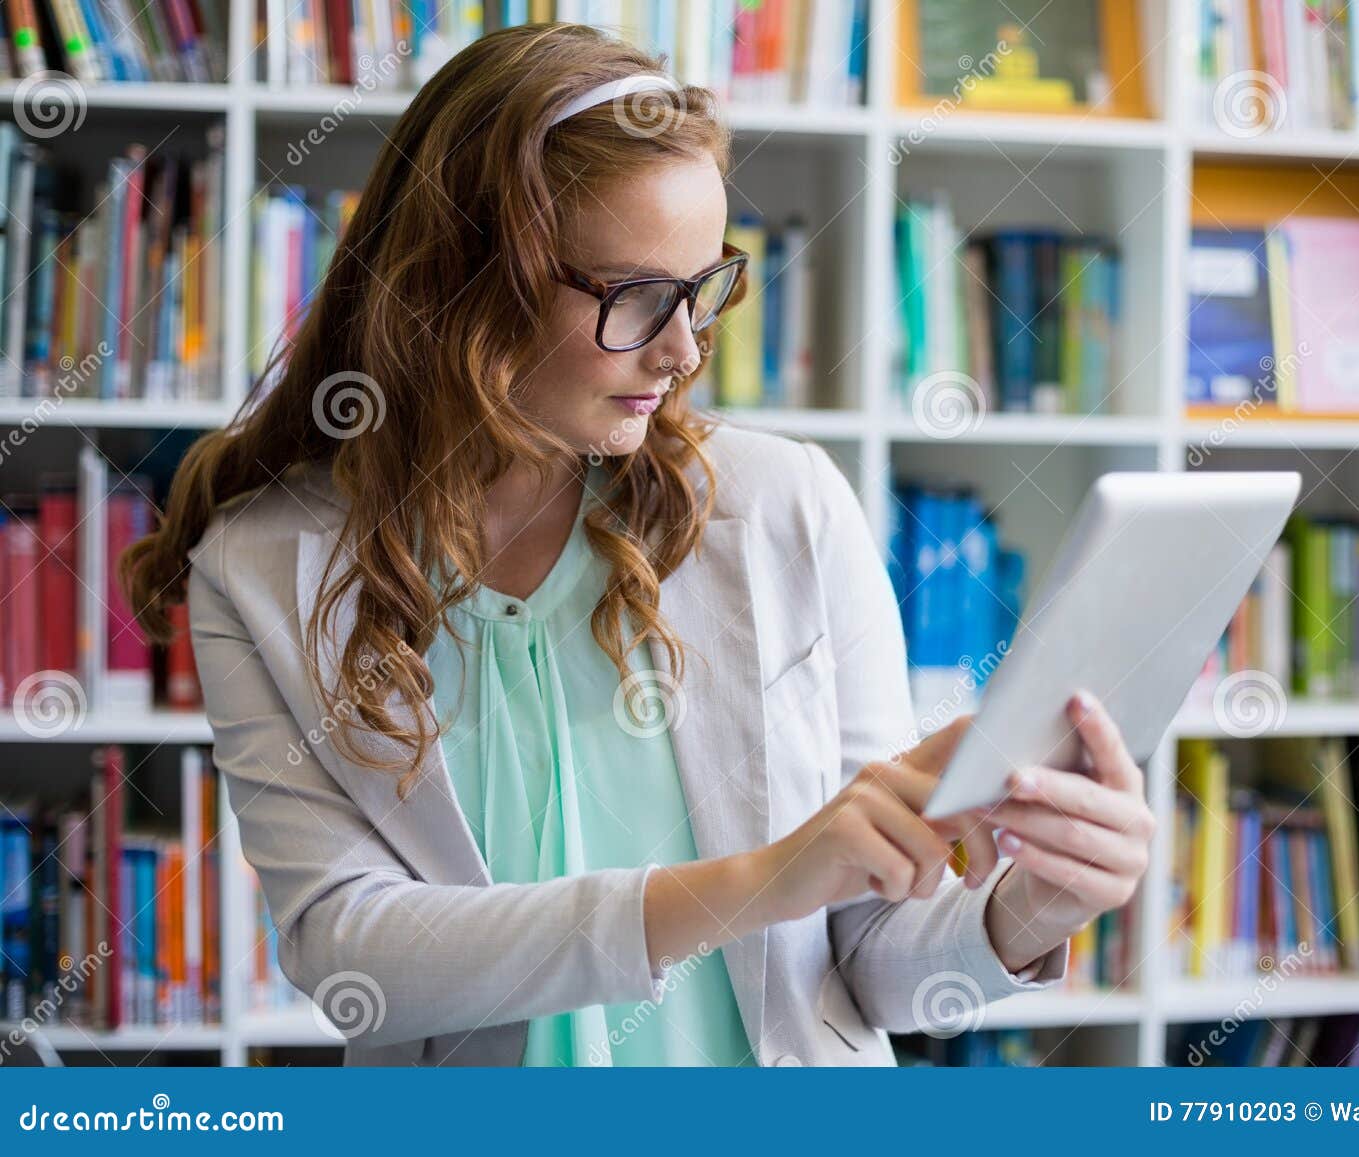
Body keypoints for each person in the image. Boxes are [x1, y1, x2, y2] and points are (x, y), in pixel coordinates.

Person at [120, 22, 1155, 1066]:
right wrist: (760, 879)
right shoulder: (263, 565)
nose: (682, 347)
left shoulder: (785, 502)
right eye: (635, 297)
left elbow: (871, 960)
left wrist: (1026, 908)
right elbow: (349, 949)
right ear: (467, 278)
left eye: (703, 289)